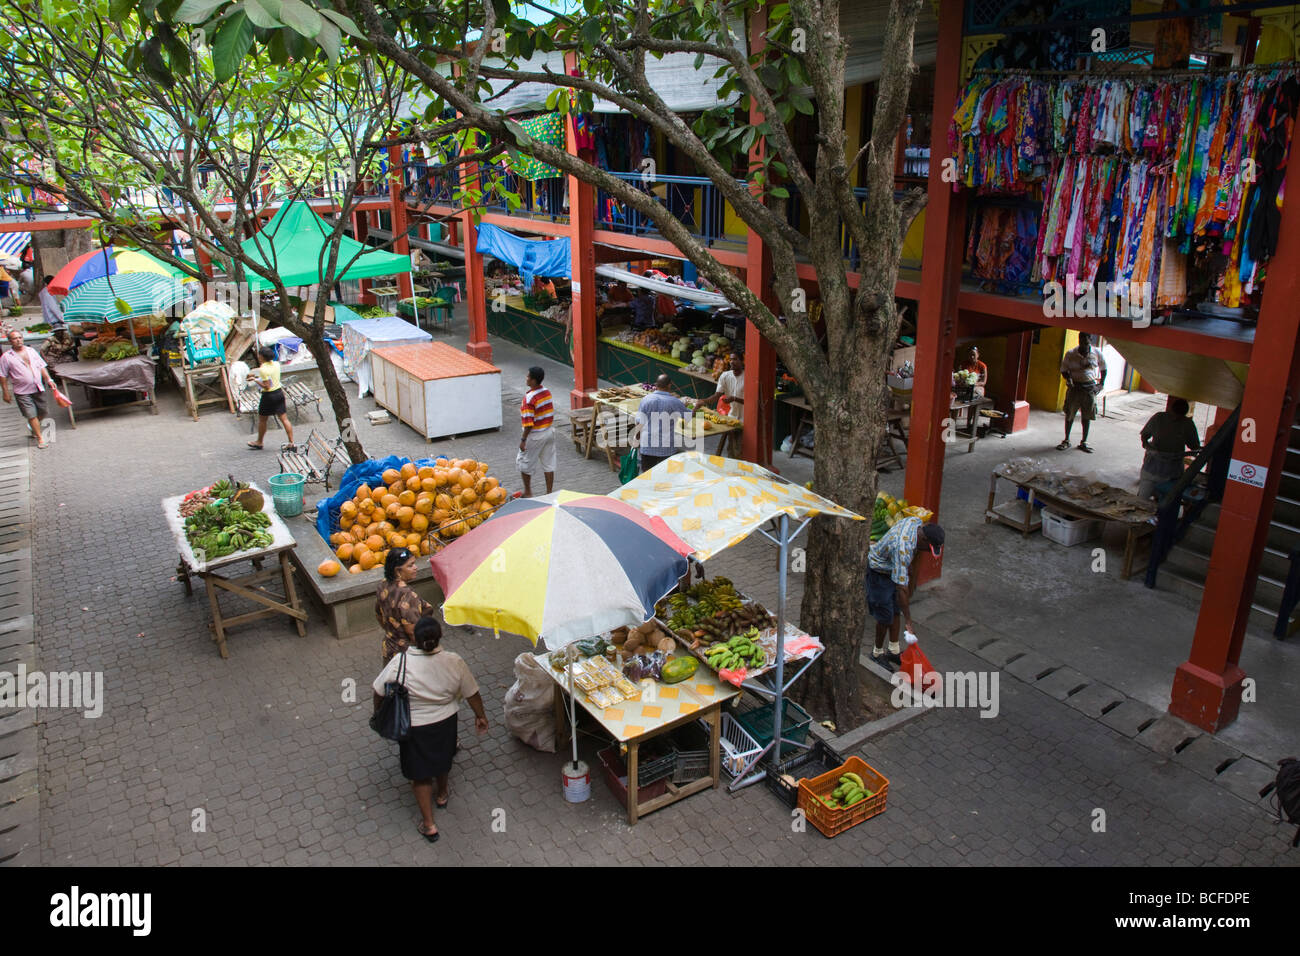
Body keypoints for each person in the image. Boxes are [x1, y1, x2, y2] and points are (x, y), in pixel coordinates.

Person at [372, 615, 489, 843]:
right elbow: (472, 692)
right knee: (443, 759)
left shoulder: (401, 662)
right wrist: (481, 716)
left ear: (414, 638)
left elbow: (378, 690)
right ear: (440, 637)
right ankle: (443, 794)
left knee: (420, 775)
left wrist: (378, 715)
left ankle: (429, 824)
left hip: (413, 727)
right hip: (446, 722)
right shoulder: (454, 661)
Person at [865, 515, 945, 664]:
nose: (928, 552)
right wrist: (909, 621)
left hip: (893, 569)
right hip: (879, 572)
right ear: (924, 540)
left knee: (896, 611)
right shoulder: (902, 548)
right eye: (929, 548)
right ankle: (876, 654)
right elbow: (902, 589)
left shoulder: (916, 522)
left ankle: (893, 650)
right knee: (884, 616)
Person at [376, 548, 437, 663]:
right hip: (406, 656)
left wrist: (392, 632)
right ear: (398, 571)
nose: (415, 567)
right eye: (410, 565)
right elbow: (412, 632)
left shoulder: (383, 584)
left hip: (389, 649)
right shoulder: (408, 597)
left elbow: (379, 614)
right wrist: (425, 652)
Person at [0, 327, 57, 449]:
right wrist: (5, 392)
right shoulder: (6, 357)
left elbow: (41, 366)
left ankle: (33, 426)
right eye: (15, 339)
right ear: (10, 341)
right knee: (31, 415)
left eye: (20, 338)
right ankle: (40, 438)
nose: (18, 340)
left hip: (37, 387)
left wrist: (49, 379)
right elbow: (3, 376)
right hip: (22, 391)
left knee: (43, 411)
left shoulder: (31, 351)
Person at [1138, 398, 1201, 500]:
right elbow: (1145, 435)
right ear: (1171, 409)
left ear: (1184, 414)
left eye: (1179, 416)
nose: (1176, 418)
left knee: (1165, 503)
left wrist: (1197, 450)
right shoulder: (1159, 418)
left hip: (1172, 472)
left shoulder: (1187, 424)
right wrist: (1147, 445)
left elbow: (1194, 446)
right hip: (1152, 467)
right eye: (1174, 414)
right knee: (1142, 498)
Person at [1058, 332, 1107, 453]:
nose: (1084, 341)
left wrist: (1100, 385)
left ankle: (1084, 442)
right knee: (1070, 414)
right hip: (1075, 388)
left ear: (1091, 340)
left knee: (1087, 416)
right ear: (1078, 339)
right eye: (1082, 338)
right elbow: (1064, 370)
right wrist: (1068, 379)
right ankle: (1066, 440)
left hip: (1089, 389)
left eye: (1087, 338)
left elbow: (1104, 369)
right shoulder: (1071, 354)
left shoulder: (1097, 353)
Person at [692, 352, 745, 455]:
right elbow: (716, 396)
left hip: (746, 419)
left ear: (742, 361)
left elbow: (752, 401)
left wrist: (734, 398)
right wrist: (704, 401)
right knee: (731, 448)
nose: (732, 362)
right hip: (732, 417)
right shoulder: (725, 376)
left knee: (741, 448)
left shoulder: (748, 377)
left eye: (735, 359)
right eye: (730, 359)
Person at [635, 374, 690, 471]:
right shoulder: (674, 402)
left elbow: (639, 422)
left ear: (656, 385)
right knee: (665, 475)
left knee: (646, 475)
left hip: (647, 445)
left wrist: (638, 438)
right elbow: (688, 416)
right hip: (666, 448)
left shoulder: (646, 399)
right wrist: (697, 406)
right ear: (669, 385)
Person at [517, 365, 555, 498]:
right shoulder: (547, 392)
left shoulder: (529, 398)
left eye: (528, 376)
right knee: (549, 464)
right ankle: (549, 493)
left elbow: (528, 424)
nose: (526, 378)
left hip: (535, 436)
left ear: (533, 380)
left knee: (524, 464)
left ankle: (528, 492)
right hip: (549, 432)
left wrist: (523, 440)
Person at [246, 345, 294, 450]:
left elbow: (267, 386)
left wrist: (255, 380)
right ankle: (291, 442)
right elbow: (271, 380)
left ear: (262, 357)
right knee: (284, 419)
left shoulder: (263, 369)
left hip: (269, 396)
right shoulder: (276, 364)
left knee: (262, 419)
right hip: (279, 393)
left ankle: (259, 441)